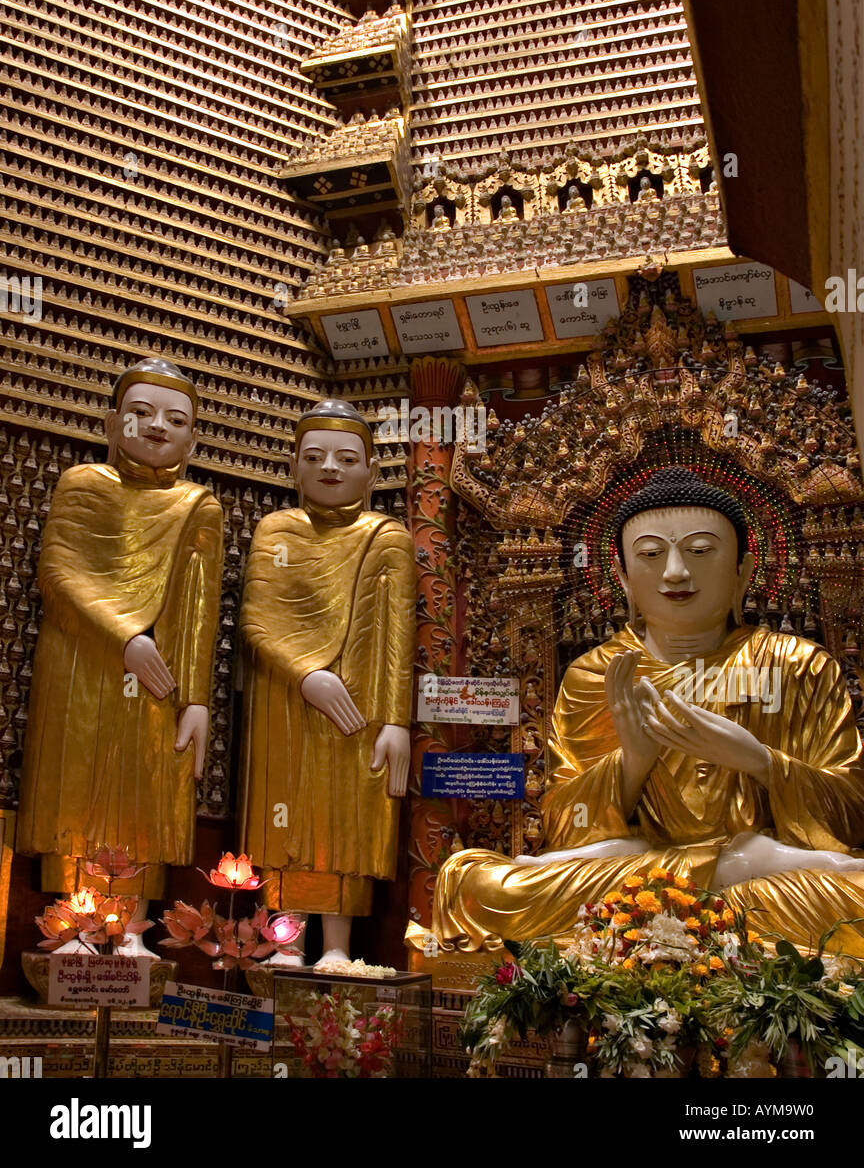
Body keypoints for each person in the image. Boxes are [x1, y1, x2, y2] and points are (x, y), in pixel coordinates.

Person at [417, 467, 864, 954]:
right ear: (625, 580)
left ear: (744, 571)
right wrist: (631, 762)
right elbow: (566, 828)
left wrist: (758, 761)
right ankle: (726, 870)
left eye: (699, 551)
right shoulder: (597, 675)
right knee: (476, 885)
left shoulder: (798, 666)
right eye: (651, 555)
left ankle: (721, 878)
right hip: (656, 871)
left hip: (757, 880)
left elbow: (847, 821)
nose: (675, 572)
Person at [16, 357, 223, 948]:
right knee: (76, 779)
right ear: (111, 424)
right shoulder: (83, 483)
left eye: (175, 419)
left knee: (150, 780)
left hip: (162, 675)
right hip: (81, 659)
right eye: (140, 414)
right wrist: (123, 636)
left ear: (192, 436)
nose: (158, 427)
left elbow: (198, 612)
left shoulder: (198, 505)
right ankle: (74, 922)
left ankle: (131, 925)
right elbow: (58, 571)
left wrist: (199, 700)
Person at [238, 399, 415, 964]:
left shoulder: (386, 537)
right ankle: (286, 941)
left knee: (349, 818)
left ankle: (338, 949)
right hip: (287, 698)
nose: (330, 468)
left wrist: (397, 720)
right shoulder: (277, 530)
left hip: (360, 704)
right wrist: (305, 674)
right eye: (313, 457)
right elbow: (256, 621)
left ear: (371, 472)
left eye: (346, 458)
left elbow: (396, 638)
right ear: (294, 468)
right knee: (286, 810)